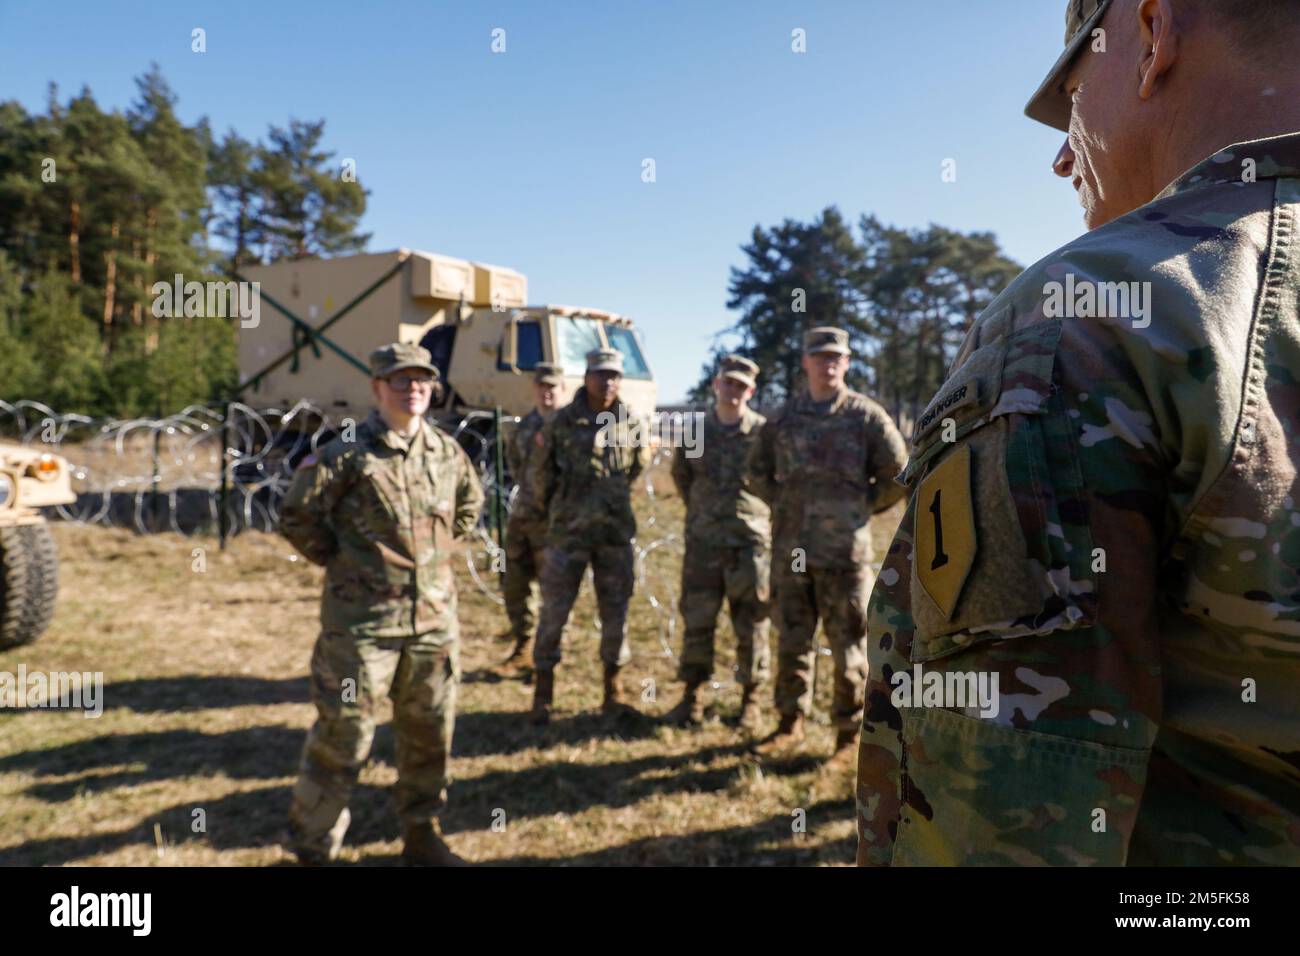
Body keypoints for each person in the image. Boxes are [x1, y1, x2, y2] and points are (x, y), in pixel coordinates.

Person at [857, 0, 1300, 866]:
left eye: (1069, 100)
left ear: (1152, 33)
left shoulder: (1097, 314)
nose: (1062, 156)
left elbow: (1001, 820)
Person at [280, 342, 484, 866]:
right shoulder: (345, 452)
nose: (413, 387)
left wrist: (432, 564)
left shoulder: (445, 452)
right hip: (361, 627)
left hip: (433, 624)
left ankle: (422, 834)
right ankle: (312, 847)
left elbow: (468, 508)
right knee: (344, 735)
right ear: (377, 388)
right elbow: (298, 515)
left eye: (422, 379)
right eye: (400, 379)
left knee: (429, 733)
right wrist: (345, 564)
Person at [747, 328, 908, 767]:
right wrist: (782, 504)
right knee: (792, 640)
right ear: (806, 363)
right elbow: (754, 470)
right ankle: (789, 722)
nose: (828, 363)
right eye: (819, 356)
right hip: (791, 553)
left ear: (848, 362)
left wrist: (860, 510)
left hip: (844, 556)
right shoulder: (782, 419)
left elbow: (898, 472)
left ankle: (846, 733)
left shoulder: (866, 416)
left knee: (849, 646)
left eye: (836, 357)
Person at [527, 347, 650, 724]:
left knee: (616, 614)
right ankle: (543, 693)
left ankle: (613, 690)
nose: (608, 381)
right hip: (569, 535)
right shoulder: (562, 423)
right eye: (601, 374)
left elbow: (634, 469)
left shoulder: (630, 422)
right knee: (554, 614)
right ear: (586, 377)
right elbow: (542, 478)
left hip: (613, 535)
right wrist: (563, 513)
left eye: (614, 375)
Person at [665, 354, 772, 733]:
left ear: (751, 391)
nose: (734, 390)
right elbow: (681, 476)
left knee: (751, 624)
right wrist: (702, 513)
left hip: (748, 545)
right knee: (697, 621)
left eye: (742, 385)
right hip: (704, 545)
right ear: (716, 384)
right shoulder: (695, 430)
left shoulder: (763, 432)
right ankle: (691, 696)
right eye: (728, 382)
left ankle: (751, 701)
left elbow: (774, 482)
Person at [495, 362, 566, 677]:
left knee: (554, 591)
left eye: (553, 387)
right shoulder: (525, 426)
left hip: (556, 522)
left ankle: (547, 656)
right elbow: (515, 464)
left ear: (562, 390)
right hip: (523, 517)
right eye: (542, 387)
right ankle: (522, 643)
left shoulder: (569, 429)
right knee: (515, 583)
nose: (547, 392)